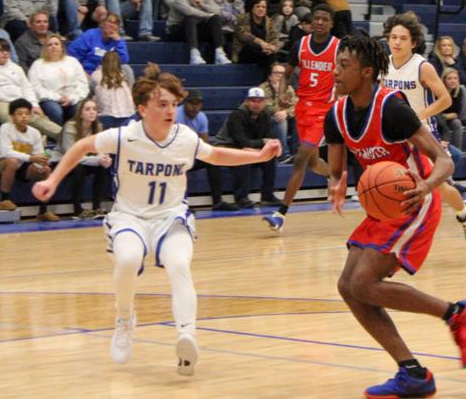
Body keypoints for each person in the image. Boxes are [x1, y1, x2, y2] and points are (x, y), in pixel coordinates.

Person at [32, 66, 281, 377]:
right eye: (162, 104)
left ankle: (186, 336)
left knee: (179, 264)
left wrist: (258, 156)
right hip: (129, 216)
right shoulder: (125, 136)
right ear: (142, 108)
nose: (170, 111)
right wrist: (54, 181)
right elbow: (82, 146)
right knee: (127, 259)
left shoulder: (184, 137)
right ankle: (125, 320)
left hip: (170, 215)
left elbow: (215, 155)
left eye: (173, 105)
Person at [325, 32, 466, 398]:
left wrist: (426, 187)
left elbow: (444, 160)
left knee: (364, 283)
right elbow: (335, 167)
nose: (336, 72)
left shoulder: (392, 108)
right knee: (348, 287)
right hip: (383, 204)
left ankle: (457, 313)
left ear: (366, 72)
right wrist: (336, 181)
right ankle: (412, 373)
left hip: (414, 198)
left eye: (344, 66)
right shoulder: (335, 113)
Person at [383, 12, 466, 243]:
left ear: (413, 42)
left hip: (422, 134)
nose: (396, 42)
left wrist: (417, 115)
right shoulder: (383, 64)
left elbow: (445, 99)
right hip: (394, 136)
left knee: (442, 188)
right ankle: (393, 235)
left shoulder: (422, 67)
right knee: (389, 184)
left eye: (402, 38)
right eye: (393, 37)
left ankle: (464, 212)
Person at [263, 4, 336, 233]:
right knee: (313, 163)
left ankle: (281, 214)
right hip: (303, 107)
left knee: (300, 158)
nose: (321, 22)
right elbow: (287, 74)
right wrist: (284, 92)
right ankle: (336, 176)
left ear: (331, 23)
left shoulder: (338, 47)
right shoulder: (301, 45)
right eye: (317, 18)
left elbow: (348, 75)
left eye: (325, 19)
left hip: (323, 111)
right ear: (311, 22)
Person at [0, 38, 62, 141]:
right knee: (10, 117)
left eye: (7, 51)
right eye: (1, 50)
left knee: (39, 119)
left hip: (17, 100)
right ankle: (32, 141)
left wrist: (34, 105)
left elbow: (27, 87)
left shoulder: (16, 67)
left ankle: (68, 138)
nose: (5, 54)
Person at [0, 98, 57, 221]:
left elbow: (39, 154)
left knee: (46, 169)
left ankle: (43, 211)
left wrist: (41, 164)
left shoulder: (35, 133)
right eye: (20, 114)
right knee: (12, 161)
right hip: (1, 164)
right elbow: (6, 152)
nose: (24, 117)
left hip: (23, 166)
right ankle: (4, 200)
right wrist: (31, 158)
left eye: (27, 114)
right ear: (12, 116)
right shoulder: (5, 128)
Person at [214, 87, 281, 208]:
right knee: (243, 157)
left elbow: (268, 140)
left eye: (259, 101)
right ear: (246, 101)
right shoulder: (236, 115)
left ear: (264, 102)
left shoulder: (265, 116)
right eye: (253, 100)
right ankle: (241, 197)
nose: (256, 104)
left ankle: (267, 196)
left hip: (248, 148)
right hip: (226, 147)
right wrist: (261, 143)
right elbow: (241, 141)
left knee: (270, 158)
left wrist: (260, 148)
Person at [177, 90, 239, 211]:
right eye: (191, 103)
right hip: (175, 156)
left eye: (198, 103)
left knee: (212, 160)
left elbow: (204, 145)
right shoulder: (175, 115)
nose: (194, 107)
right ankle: (180, 205)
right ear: (184, 103)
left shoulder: (202, 118)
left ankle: (217, 201)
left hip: (191, 155)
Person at [60, 98, 111, 218]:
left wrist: (104, 158)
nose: (92, 112)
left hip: (85, 161)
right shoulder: (70, 127)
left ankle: (96, 207)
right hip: (65, 164)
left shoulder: (98, 127)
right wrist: (97, 160)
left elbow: (101, 150)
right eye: (87, 109)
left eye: (94, 109)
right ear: (80, 114)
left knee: (101, 167)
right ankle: (77, 210)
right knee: (79, 167)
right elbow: (71, 156)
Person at [166, 0, 231, 65]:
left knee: (215, 19)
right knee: (191, 18)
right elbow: (189, 11)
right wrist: (207, 15)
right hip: (176, 29)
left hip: (195, 28)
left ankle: (219, 53)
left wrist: (201, 4)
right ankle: (194, 54)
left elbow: (217, 10)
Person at [28, 33, 89, 126]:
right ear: (45, 49)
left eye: (56, 44)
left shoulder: (73, 61)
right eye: (50, 45)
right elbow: (36, 88)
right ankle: (58, 137)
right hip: (50, 100)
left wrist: (72, 98)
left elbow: (83, 84)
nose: (53, 47)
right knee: (55, 110)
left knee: (81, 108)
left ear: (62, 47)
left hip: (73, 98)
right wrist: (57, 98)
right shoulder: (38, 64)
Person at [260, 62, 297, 163]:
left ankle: (296, 154)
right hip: (267, 121)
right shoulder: (263, 88)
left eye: (282, 74)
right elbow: (266, 108)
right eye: (277, 73)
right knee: (280, 120)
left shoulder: (288, 88)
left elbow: (297, 105)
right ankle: (283, 155)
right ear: (270, 76)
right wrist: (277, 93)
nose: (280, 76)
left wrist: (286, 112)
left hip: (285, 117)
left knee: (301, 118)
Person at [233, 0, 280, 70]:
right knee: (250, 45)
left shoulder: (268, 21)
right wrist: (261, 43)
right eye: (257, 6)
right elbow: (243, 35)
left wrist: (272, 48)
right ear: (252, 8)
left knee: (271, 54)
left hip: (262, 53)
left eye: (263, 7)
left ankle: (271, 79)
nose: (261, 9)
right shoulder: (243, 18)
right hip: (245, 53)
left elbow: (274, 38)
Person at [91, 51, 135, 127]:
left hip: (106, 117)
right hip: (126, 116)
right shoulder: (124, 76)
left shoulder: (95, 75)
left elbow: (91, 91)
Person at [439, 67, 466, 151]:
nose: (453, 81)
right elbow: (436, 113)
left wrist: (445, 116)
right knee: (443, 125)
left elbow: (456, 113)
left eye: (455, 78)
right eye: (449, 78)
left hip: (447, 118)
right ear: (444, 80)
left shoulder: (459, 91)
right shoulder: (438, 92)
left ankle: (457, 151)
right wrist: (446, 116)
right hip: (437, 119)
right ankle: (444, 151)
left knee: (457, 123)